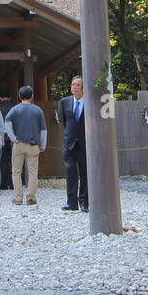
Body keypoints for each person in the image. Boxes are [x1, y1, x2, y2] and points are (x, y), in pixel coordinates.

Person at [4, 85, 46, 206]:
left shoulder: (15, 109)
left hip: (18, 143)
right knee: (33, 172)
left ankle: (18, 198)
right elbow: (43, 130)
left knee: (16, 172)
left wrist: (12, 137)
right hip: (33, 144)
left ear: (19, 96)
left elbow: (7, 122)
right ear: (32, 96)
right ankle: (31, 198)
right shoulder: (38, 110)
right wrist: (42, 145)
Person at [59, 75, 89, 212]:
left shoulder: (89, 102)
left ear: (83, 88)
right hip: (69, 143)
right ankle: (71, 203)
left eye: (77, 85)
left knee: (85, 174)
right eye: (73, 84)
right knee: (70, 174)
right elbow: (64, 121)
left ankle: (84, 202)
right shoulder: (65, 102)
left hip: (84, 143)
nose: (74, 87)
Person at [0, 90, 15, 191]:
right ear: (10, 98)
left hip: (1, 138)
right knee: (14, 161)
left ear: (0, 97)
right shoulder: (14, 108)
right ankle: (12, 183)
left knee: (1, 161)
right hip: (13, 138)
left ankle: (3, 184)